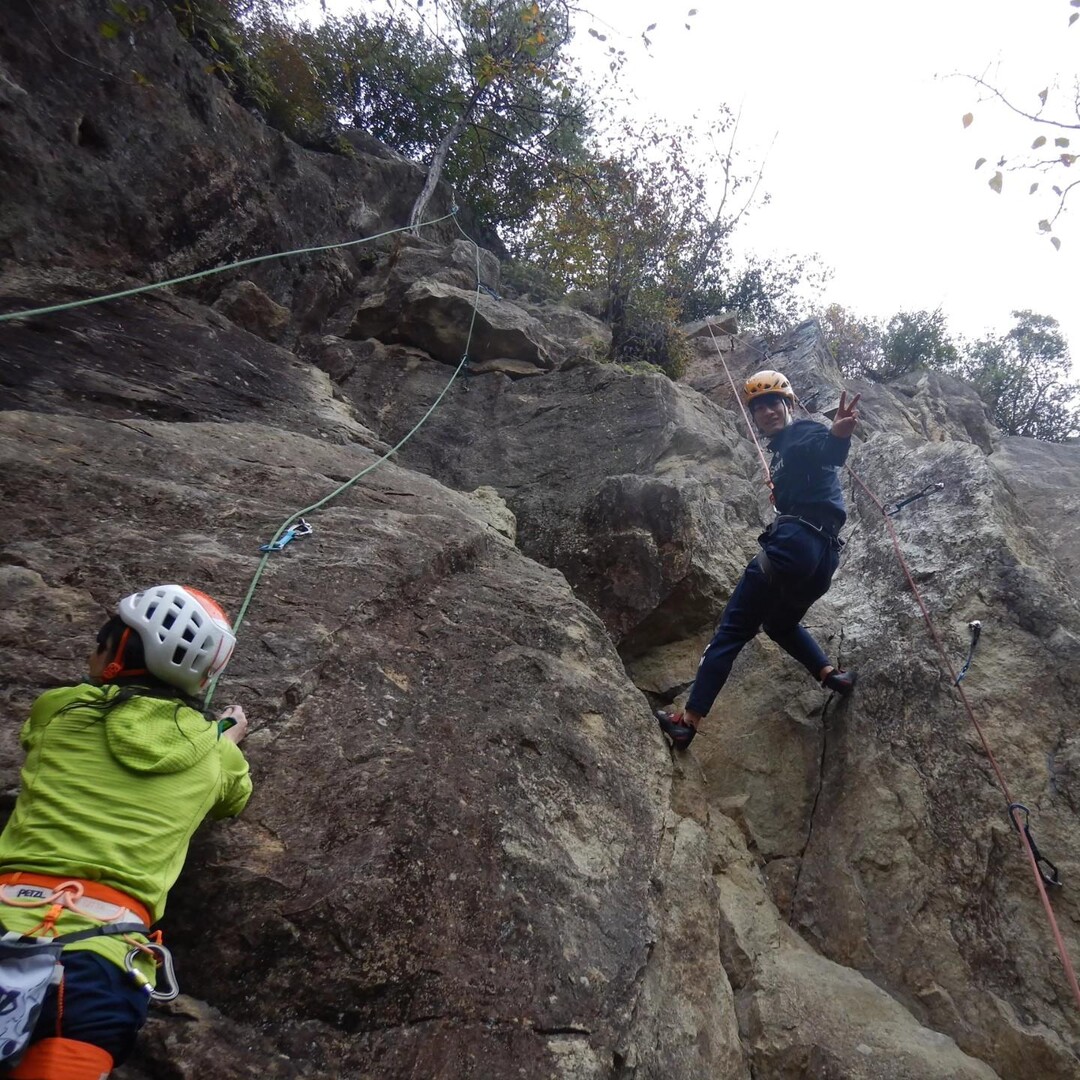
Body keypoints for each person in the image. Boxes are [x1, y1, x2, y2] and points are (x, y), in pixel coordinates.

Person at [0, 584, 251, 1079]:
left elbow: (38, 732)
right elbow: (233, 800)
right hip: (101, 964)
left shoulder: (59, 709)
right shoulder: (216, 754)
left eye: (102, 643)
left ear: (115, 653)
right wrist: (223, 736)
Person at [656, 370, 861, 750]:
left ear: (789, 405)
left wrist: (839, 434)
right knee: (780, 624)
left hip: (793, 547)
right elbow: (812, 469)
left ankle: (688, 721)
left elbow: (825, 451)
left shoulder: (802, 433)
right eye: (760, 407)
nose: (768, 412)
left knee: (732, 631)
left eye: (775, 403)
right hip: (823, 560)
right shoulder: (783, 452)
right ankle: (831, 674)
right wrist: (781, 492)